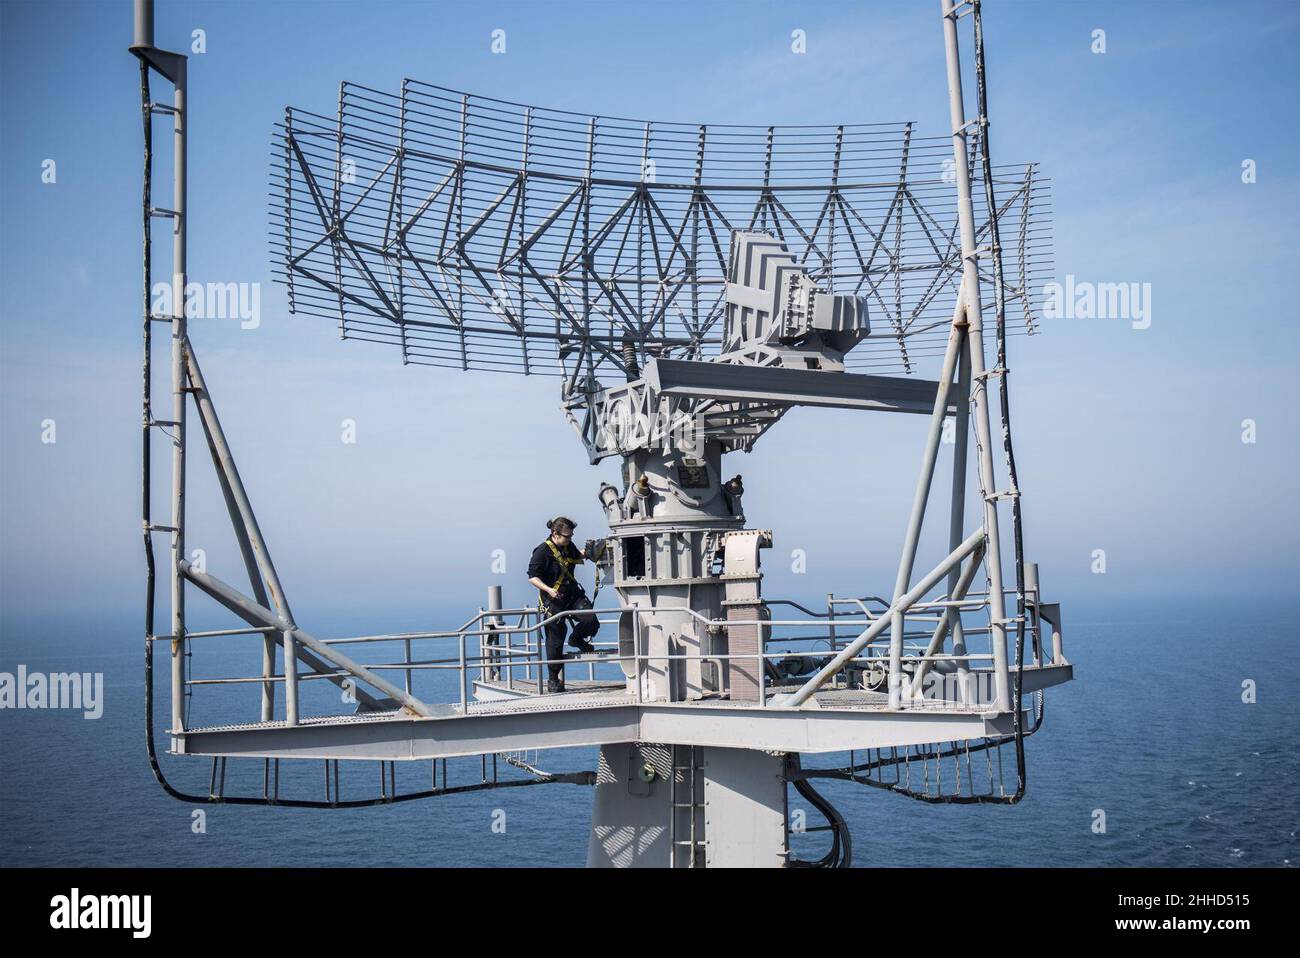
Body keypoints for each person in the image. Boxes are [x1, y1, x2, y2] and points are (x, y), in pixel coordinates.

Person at [527, 516, 600, 693]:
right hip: (553, 600)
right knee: (555, 641)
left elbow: (577, 555)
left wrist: (593, 551)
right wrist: (549, 590)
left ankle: (576, 638)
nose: (570, 539)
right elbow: (532, 577)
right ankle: (553, 679)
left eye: (571, 536)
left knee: (591, 620)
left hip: (572, 595)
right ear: (555, 533)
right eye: (567, 536)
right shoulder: (542, 551)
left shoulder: (568, 545)